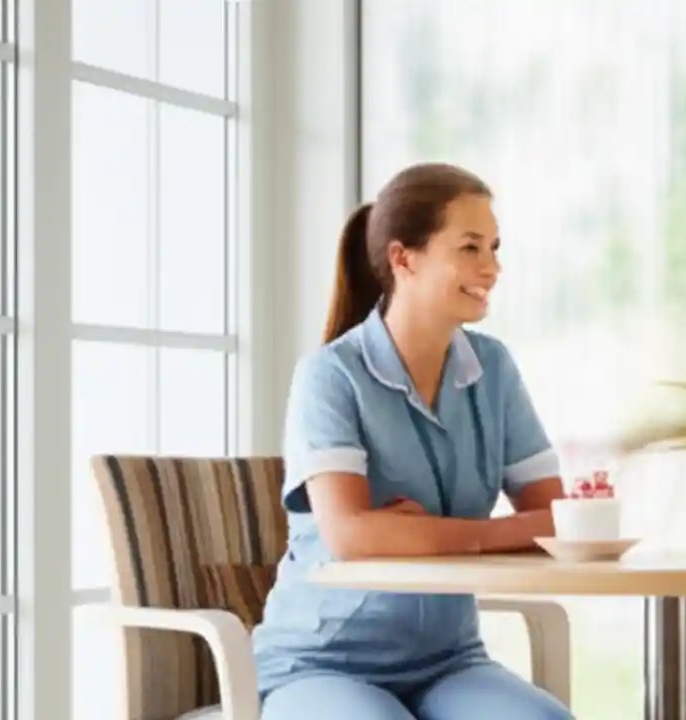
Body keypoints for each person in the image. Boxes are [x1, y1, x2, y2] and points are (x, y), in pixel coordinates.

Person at [252, 163, 573, 720]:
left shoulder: (492, 369)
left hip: (448, 661)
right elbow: (351, 535)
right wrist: (491, 533)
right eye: (470, 248)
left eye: (495, 248)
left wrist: (412, 533)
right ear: (404, 259)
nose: (492, 268)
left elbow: (555, 516)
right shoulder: (330, 376)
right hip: (322, 663)